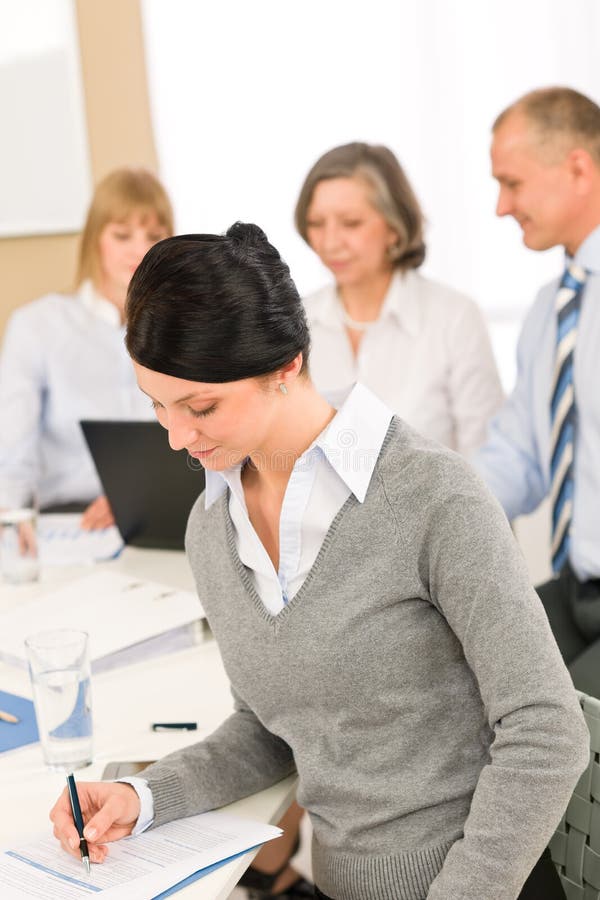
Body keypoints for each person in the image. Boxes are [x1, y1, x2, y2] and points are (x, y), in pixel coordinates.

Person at [49, 224, 588, 900]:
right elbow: (271, 731)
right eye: (158, 406)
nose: (177, 437)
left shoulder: (432, 497)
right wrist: (144, 795)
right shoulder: (212, 526)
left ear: (286, 366)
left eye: (201, 407)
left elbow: (547, 732)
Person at [472, 86, 600, 697]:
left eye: (512, 183)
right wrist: (418, 517)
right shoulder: (551, 311)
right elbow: (517, 458)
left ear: (578, 168)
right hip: (577, 588)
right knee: (455, 684)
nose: (502, 206)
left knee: (560, 733)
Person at [295, 142, 504, 456]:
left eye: (351, 223)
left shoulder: (454, 318)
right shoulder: (292, 323)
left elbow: (486, 458)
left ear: (394, 227)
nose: (330, 242)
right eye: (316, 224)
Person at [0, 167, 174, 527]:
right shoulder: (38, 326)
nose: (140, 250)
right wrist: (9, 522)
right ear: (96, 239)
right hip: (70, 520)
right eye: (122, 235)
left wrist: (139, 497)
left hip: (162, 511)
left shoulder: (184, 326)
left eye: (154, 236)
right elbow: (11, 453)